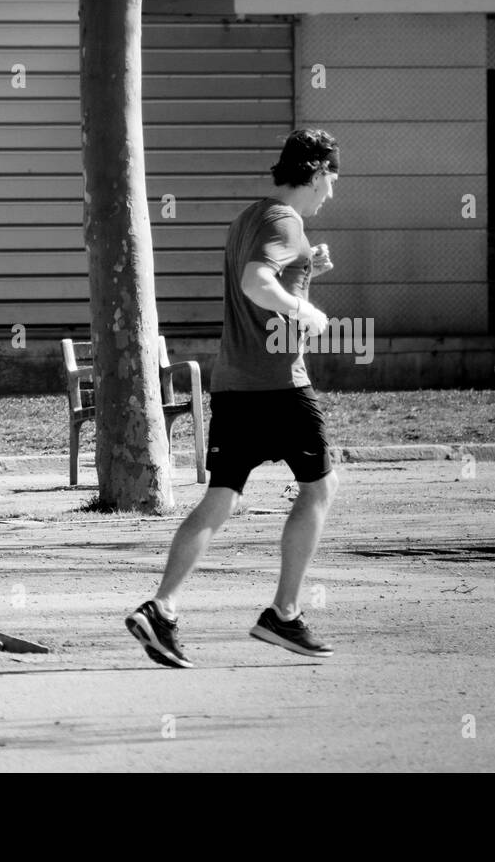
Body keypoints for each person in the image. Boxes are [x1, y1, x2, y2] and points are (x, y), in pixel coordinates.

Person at [125, 129, 341, 668]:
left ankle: (162, 607)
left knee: (220, 499)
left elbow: (267, 272)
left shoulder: (252, 217)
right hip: (279, 385)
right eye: (330, 181)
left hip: (235, 384)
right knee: (319, 489)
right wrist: (305, 311)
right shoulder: (285, 222)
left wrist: (306, 264)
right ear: (315, 174)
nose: (330, 195)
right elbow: (255, 283)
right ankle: (284, 614)